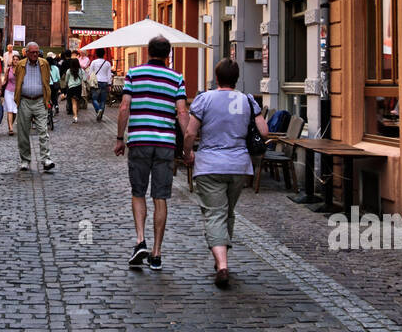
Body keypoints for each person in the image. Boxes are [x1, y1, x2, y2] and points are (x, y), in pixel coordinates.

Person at [185, 59, 269, 288]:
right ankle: (222, 259)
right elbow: (264, 131)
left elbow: (190, 133)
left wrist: (187, 153)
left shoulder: (204, 99)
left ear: (216, 77)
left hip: (209, 165)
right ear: (237, 78)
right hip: (238, 166)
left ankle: (222, 265)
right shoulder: (248, 100)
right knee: (227, 211)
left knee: (215, 214)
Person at [114, 36, 189, 270]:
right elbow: (182, 112)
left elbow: (125, 106)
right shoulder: (177, 77)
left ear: (148, 51)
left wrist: (119, 138)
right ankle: (156, 253)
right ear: (168, 54)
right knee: (160, 196)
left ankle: (140, 241)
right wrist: (187, 146)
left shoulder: (134, 74)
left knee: (138, 192)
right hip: (165, 143)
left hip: (139, 141)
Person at [14, 41, 54, 173]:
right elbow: (18, 81)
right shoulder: (20, 65)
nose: (35, 54)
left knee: (43, 130)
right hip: (25, 101)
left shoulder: (44, 64)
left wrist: (48, 98)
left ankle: (46, 159)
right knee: (23, 132)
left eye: (37, 52)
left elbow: (47, 81)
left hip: (40, 101)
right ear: (26, 52)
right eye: (32, 52)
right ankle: (25, 160)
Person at [86, 49, 113, 122]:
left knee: (94, 99)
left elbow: (90, 73)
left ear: (96, 54)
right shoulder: (107, 63)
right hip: (104, 82)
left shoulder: (94, 62)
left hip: (96, 82)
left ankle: (98, 110)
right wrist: (109, 84)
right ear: (104, 54)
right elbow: (109, 75)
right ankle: (100, 113)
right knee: (103, 100)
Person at [2, 51, 19, 135]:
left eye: (17, 59)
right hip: (8, 91)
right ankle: (11, 129)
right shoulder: (9, 70)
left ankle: (10, 125)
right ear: (12, 61)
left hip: (17, 93)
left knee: (15, 111)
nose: (15, 61)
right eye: (14, 59)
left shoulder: (21, 70)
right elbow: (5, 80)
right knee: (10, 110)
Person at [63, 52, 83, 123]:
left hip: (71, 88)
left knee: (73, 102)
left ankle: (75, 116)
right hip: (78, 87)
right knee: (77, 102)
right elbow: (84, 78)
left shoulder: (69, 70)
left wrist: (66, 85)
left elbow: (66, 80)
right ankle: (76, 113)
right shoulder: (81, 70)